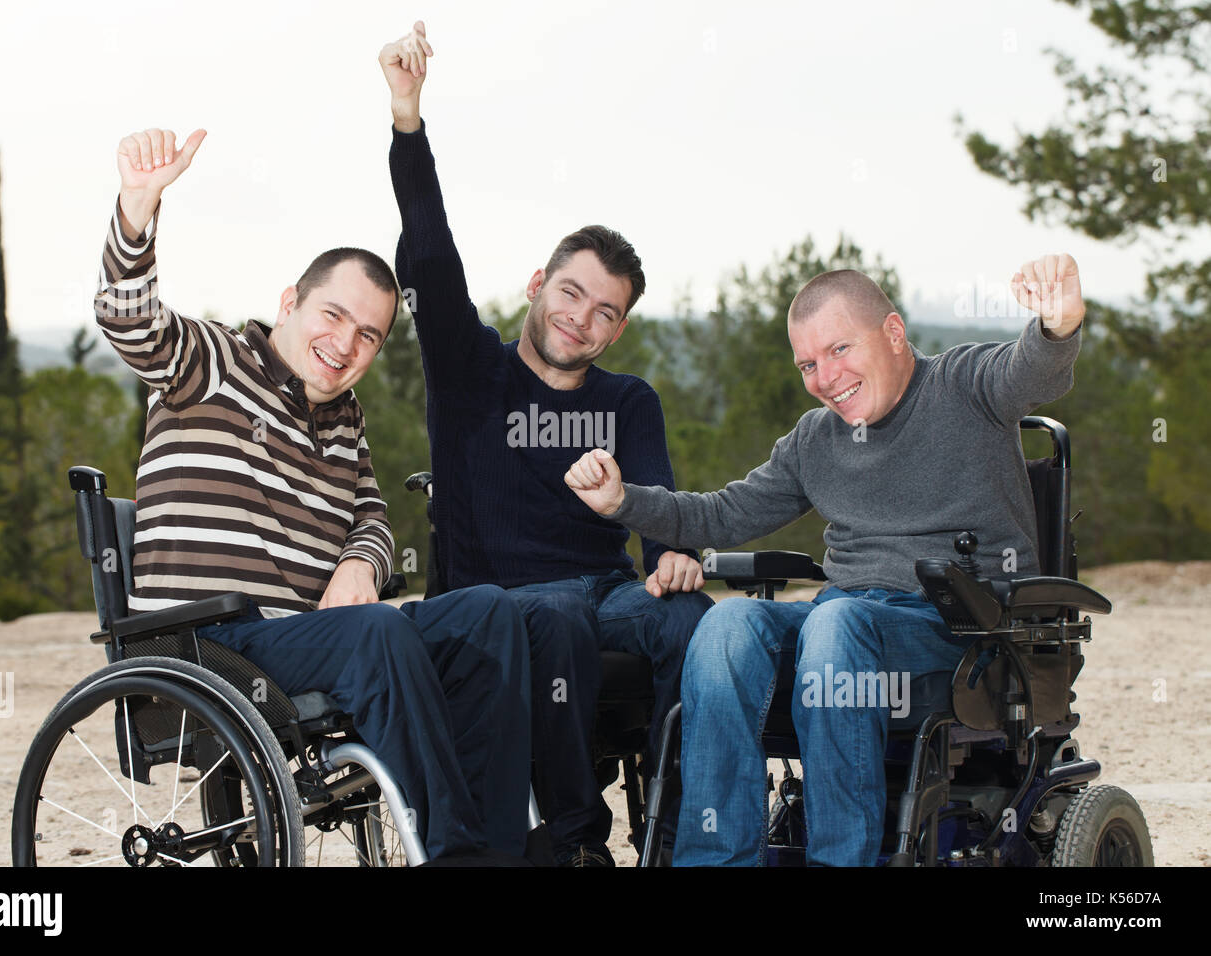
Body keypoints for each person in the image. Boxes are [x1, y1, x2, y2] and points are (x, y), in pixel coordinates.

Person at [94, 125, 531, 862]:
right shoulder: (217, 360)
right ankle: (458, 854)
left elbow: (370, 511)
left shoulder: (343, 418)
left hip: (301, 643)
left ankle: (506, 844)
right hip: (210, 645)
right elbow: (133, 325)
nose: (347, 343)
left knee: (491, 614)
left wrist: (361, 563)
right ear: (291, 300)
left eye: (369, 335)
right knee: (380, 633)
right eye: (334, 315)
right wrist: (137, 212)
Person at [566, 257, 1086, 865]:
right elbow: (719, 515)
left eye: (840, 349)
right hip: (841, 623)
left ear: (894, 333)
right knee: (728, 625)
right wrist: (622, 500)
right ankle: (717, 859)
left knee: (836, 627)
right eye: (808, 364)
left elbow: (1034, 370)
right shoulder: (817, 438)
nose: (826, 378)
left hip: (963, 631)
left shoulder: (965, 386)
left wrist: (1058, 322)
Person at [379, 21, 714, 866]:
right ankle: (574, 845)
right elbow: (430, 247)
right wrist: (408, 119)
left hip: (605, 590)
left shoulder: (629, 400)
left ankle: (673, 841)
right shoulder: (469, 371)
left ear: (621, 325)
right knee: (557, 618)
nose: (581, 318)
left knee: (691, 623)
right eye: (570, 293)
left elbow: (660, 504)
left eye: (605, 310)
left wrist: (674, 552)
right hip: (499, 602)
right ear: (538, 285)